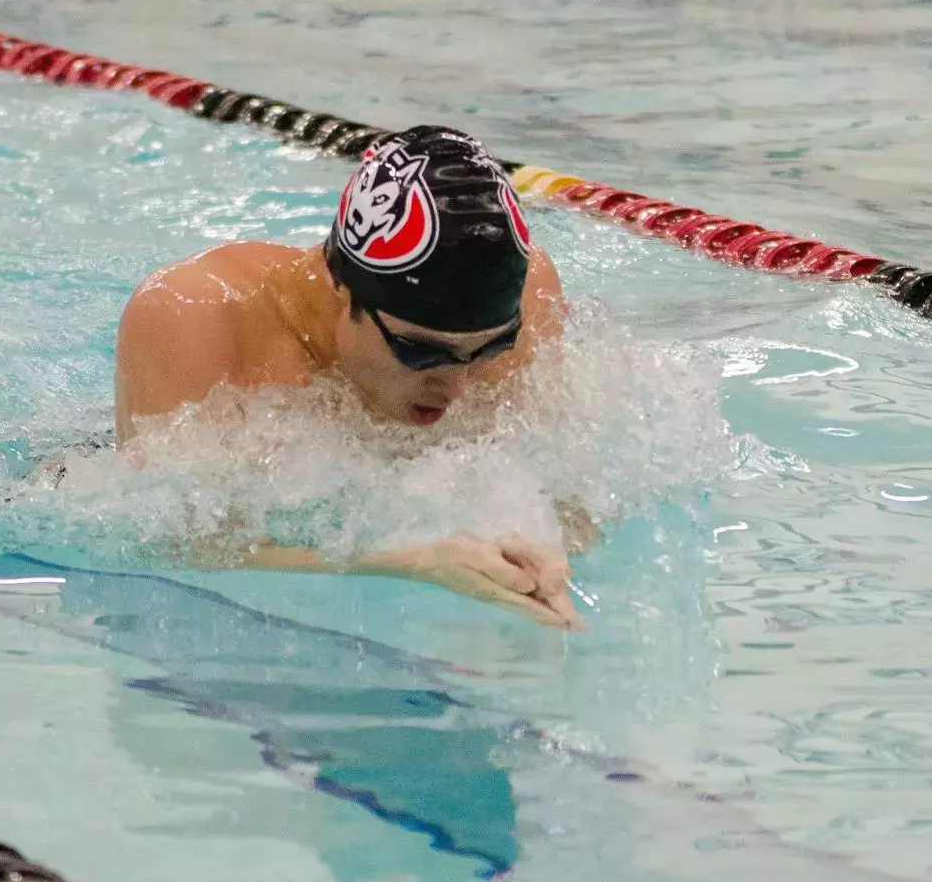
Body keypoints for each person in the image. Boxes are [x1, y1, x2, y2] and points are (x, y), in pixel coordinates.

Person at [114, 125, 586, 630]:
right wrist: (406, 562)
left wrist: (544, 547)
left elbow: (565, 489)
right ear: (341, 287)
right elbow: (164, 545)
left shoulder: (529, 296)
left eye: (491, 350)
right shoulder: (199, 318)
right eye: (422, 352)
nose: (458, 387)